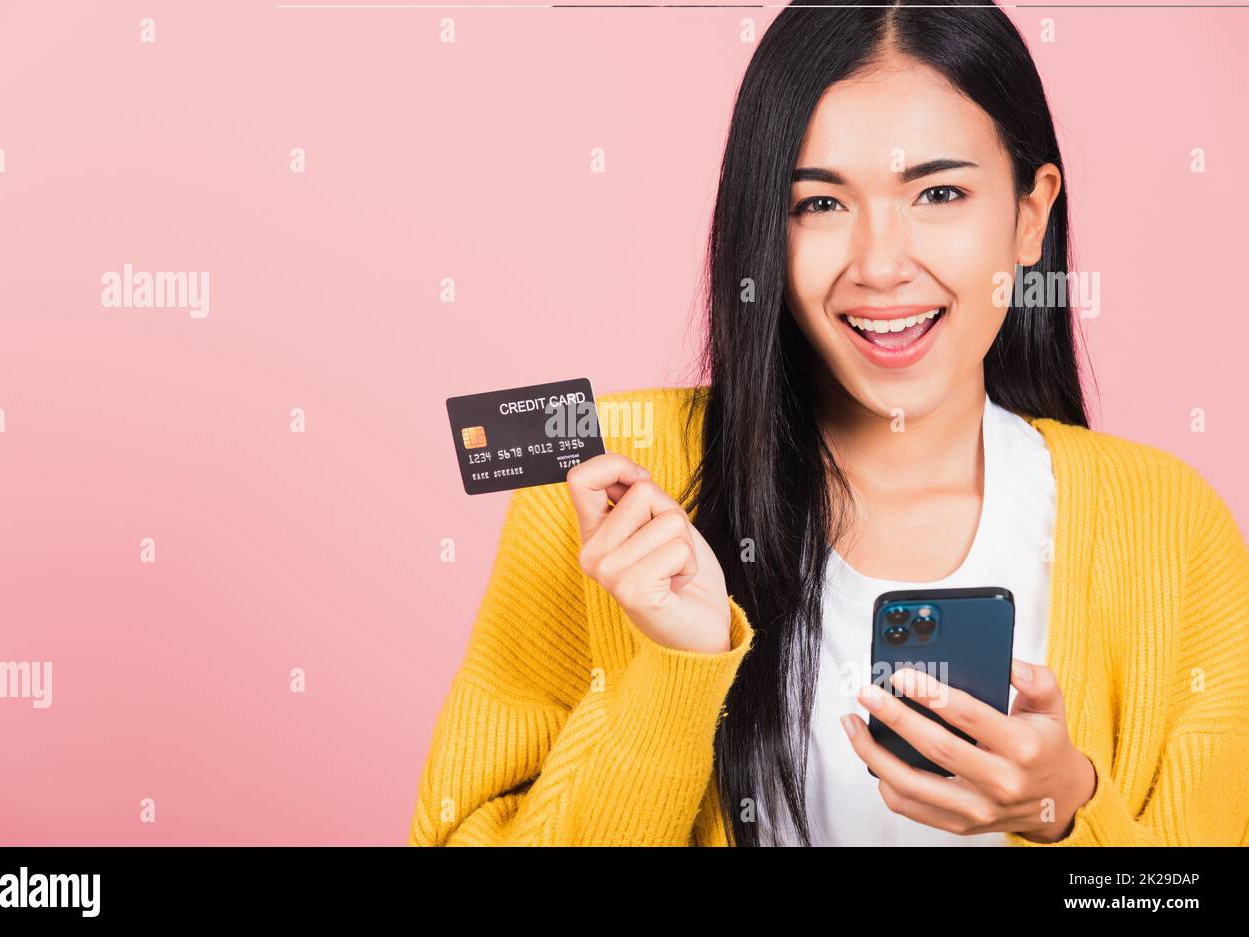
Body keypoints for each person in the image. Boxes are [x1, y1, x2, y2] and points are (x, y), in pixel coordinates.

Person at [408, 0, 1249, 846]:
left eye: (940, 192)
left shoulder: (1170, 527)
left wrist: (1070, 808)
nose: (881, 265)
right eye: (819, 204)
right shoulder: (614, 497)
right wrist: (671, 677)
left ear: (1030, 217)